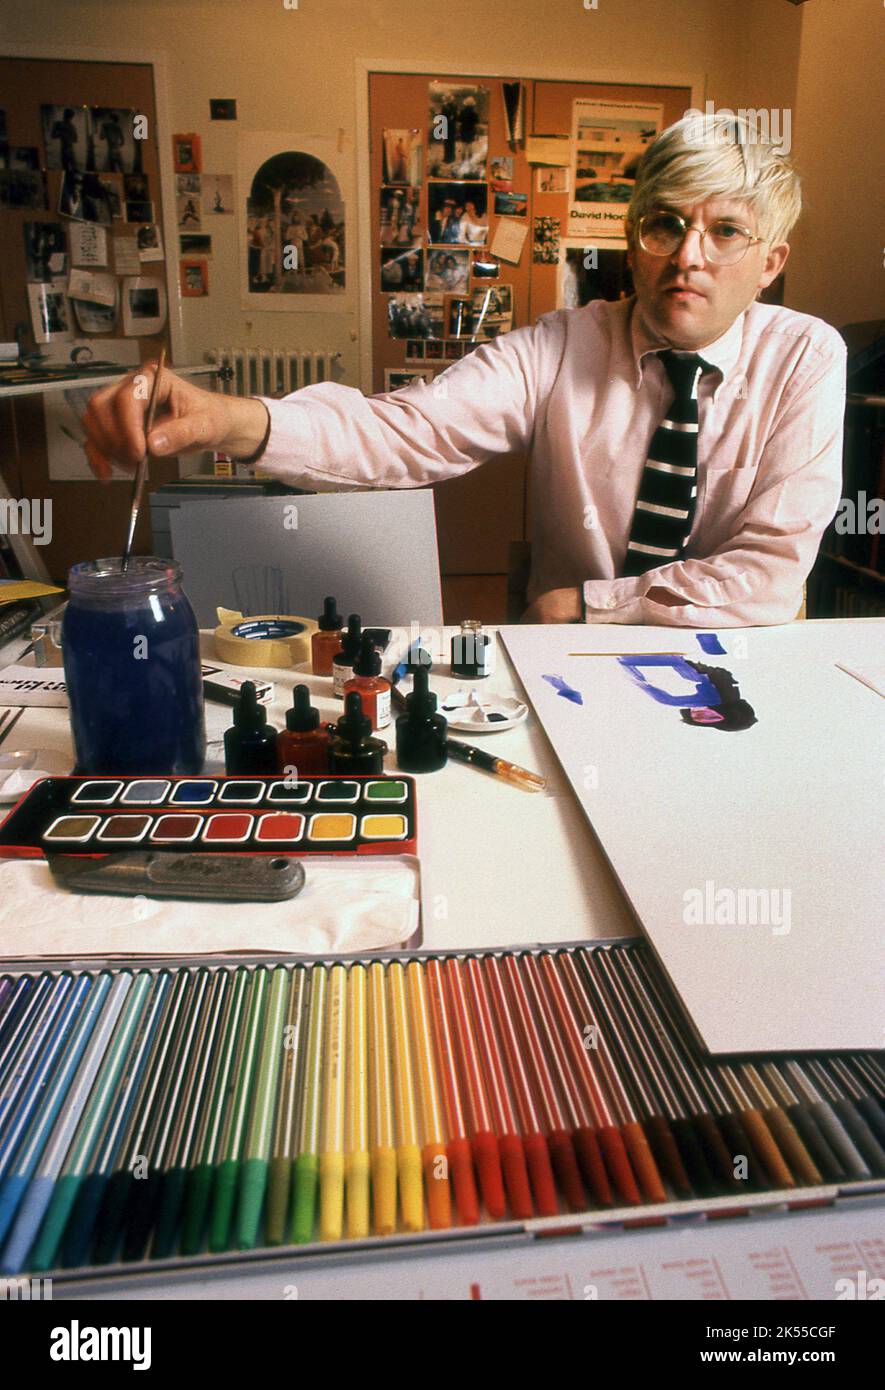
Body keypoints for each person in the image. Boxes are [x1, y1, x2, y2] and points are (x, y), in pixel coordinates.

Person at [83, 114, 846, 627]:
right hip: (565, 667)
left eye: (725, 232)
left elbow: (771, 573)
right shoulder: (560, 346)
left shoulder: (806, 356)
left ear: (769, 262)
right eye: (666, 224)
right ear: (632, 238)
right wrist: (230, 419)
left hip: (727, 659)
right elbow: (404, 432)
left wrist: (594, 606)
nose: (687, 256)